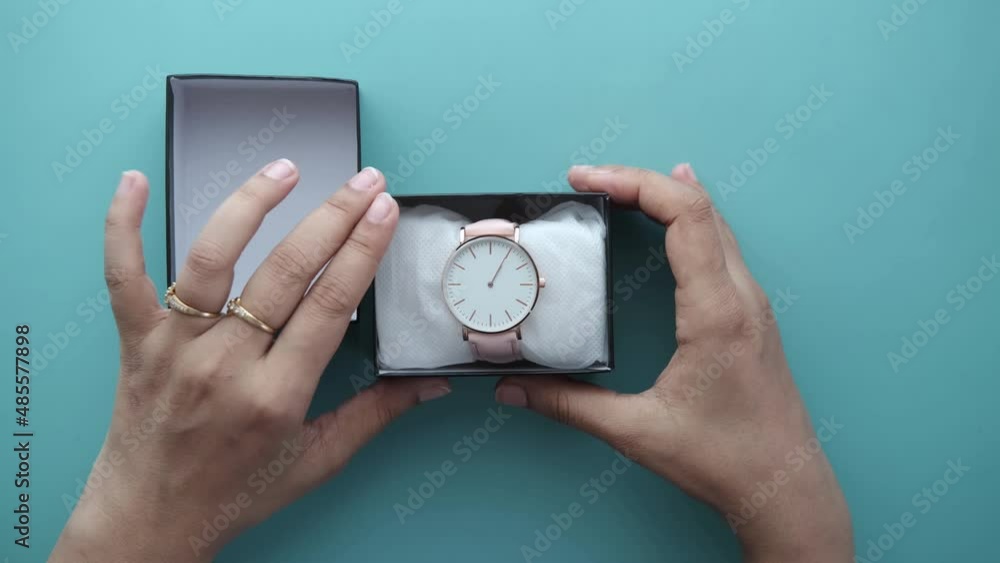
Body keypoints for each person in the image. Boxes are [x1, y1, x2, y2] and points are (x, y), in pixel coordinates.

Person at [49, 160, 853, 562]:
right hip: (478, 288)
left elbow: (507, 278)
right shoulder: (474, 257)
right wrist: (797, 508)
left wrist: (127, 527)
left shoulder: (523, 267)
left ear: (529, 270)